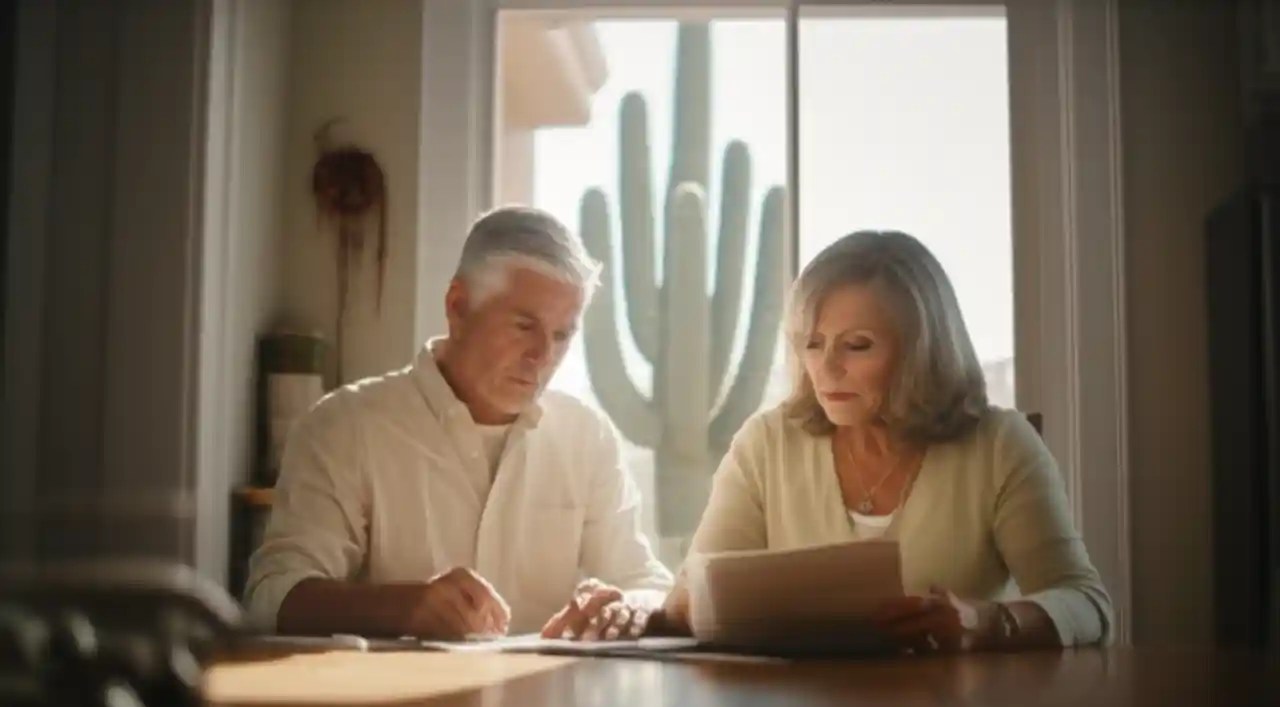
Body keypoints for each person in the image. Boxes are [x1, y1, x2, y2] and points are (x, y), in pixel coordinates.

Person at [646, 230, 1112, 652]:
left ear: (921, 350)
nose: (826, 367)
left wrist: (987, 622)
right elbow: (692, 598)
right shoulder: (765, 444)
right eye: (812, 343)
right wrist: (656, 612)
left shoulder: (999, 445)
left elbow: (1086, 603)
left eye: (858, 345)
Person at [244, 206, 672, 640]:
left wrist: (630, 607)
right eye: (525, 326)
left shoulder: (587, 438)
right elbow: (271, 598)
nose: (543, 355)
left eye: (562, 335)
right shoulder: (342, 428)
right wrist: (402, 608)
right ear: (458, 306)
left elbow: (649, 584)